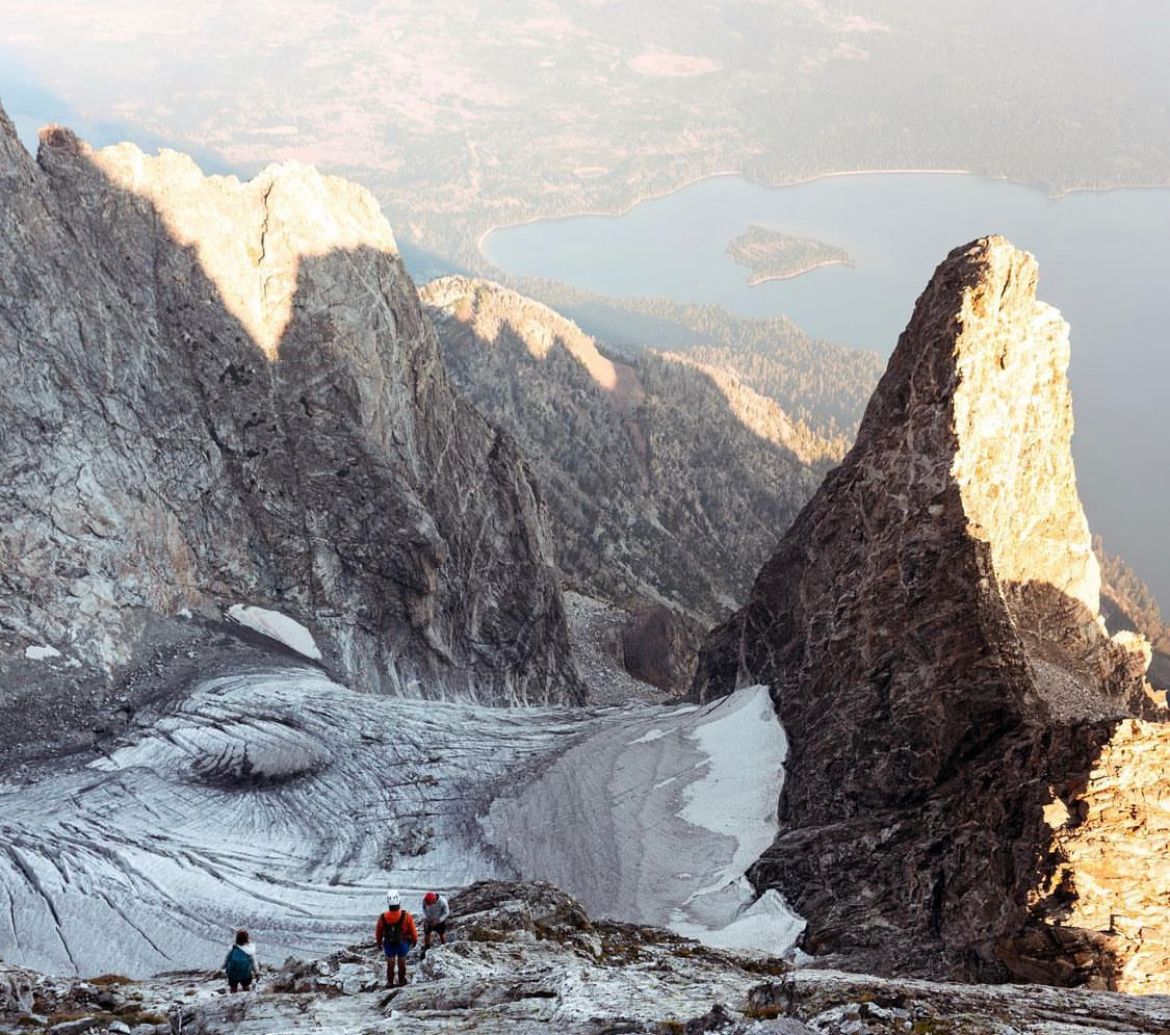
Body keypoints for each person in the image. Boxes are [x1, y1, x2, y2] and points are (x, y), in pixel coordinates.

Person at [375, 888, 418, 988]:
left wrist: (379, 944)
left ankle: (390, 983)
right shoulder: (406, 915)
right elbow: (413, 931)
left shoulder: (382, 917)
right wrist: (415, 941)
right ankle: (401, 981)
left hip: (389, 944)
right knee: (401, 962)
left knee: (390, 963)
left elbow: (378, 932)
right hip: (402, 944)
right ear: (399, 900)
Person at [421, 891, 450, 957]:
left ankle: (444, 947)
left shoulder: (442, 901)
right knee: (427, 933)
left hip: (439, 920)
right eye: (427, 903)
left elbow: (446, 912)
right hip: (429, 919)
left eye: (429, 903)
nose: (428, 905)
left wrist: (439, 920)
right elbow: (423, 907)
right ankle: (427, 947)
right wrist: (427, 916)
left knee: (441, 934)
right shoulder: (425, 900)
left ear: (434, 900)